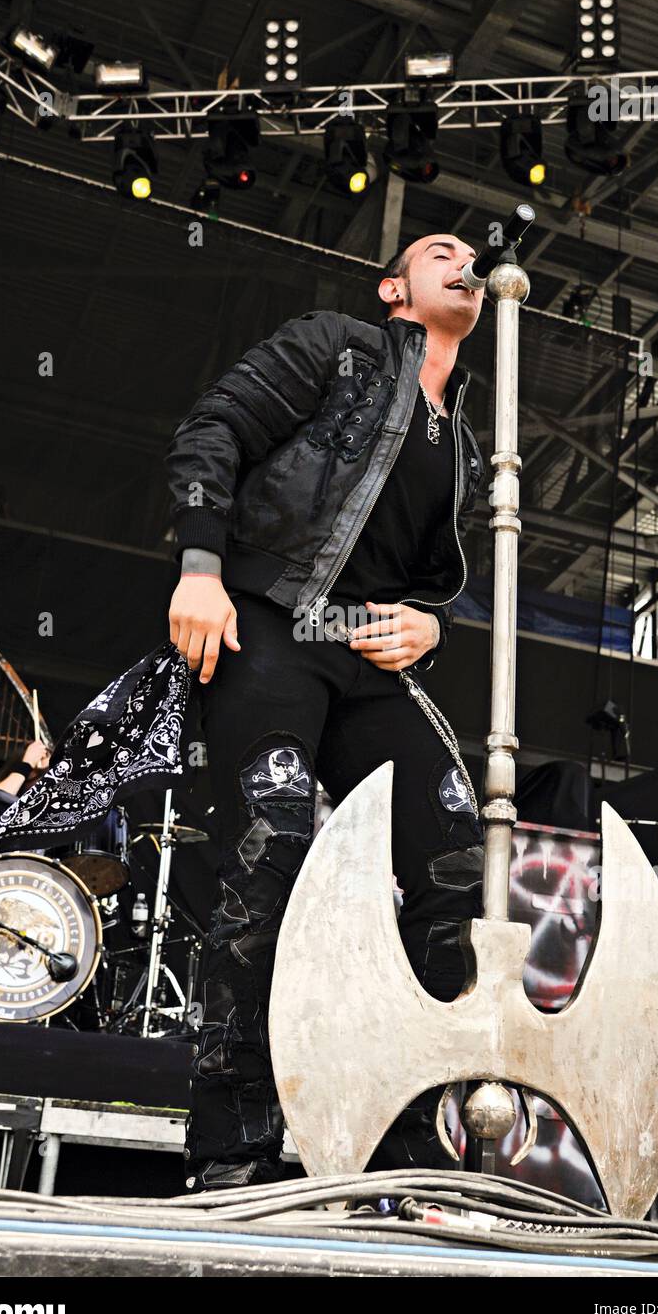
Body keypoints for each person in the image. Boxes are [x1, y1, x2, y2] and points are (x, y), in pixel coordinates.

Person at [166, 234, 486, 1190]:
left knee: (458, 865)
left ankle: (403, 1144)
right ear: (396, 287)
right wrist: (199, 566)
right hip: (268, 615)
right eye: (441, 249)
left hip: (364, 655)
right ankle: (233, 1149)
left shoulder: (464, 441)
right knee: (274, 850)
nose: (465, 260)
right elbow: (213, 427)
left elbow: (430, 581)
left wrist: (432, 625)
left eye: (475, 254)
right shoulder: (335, 344)